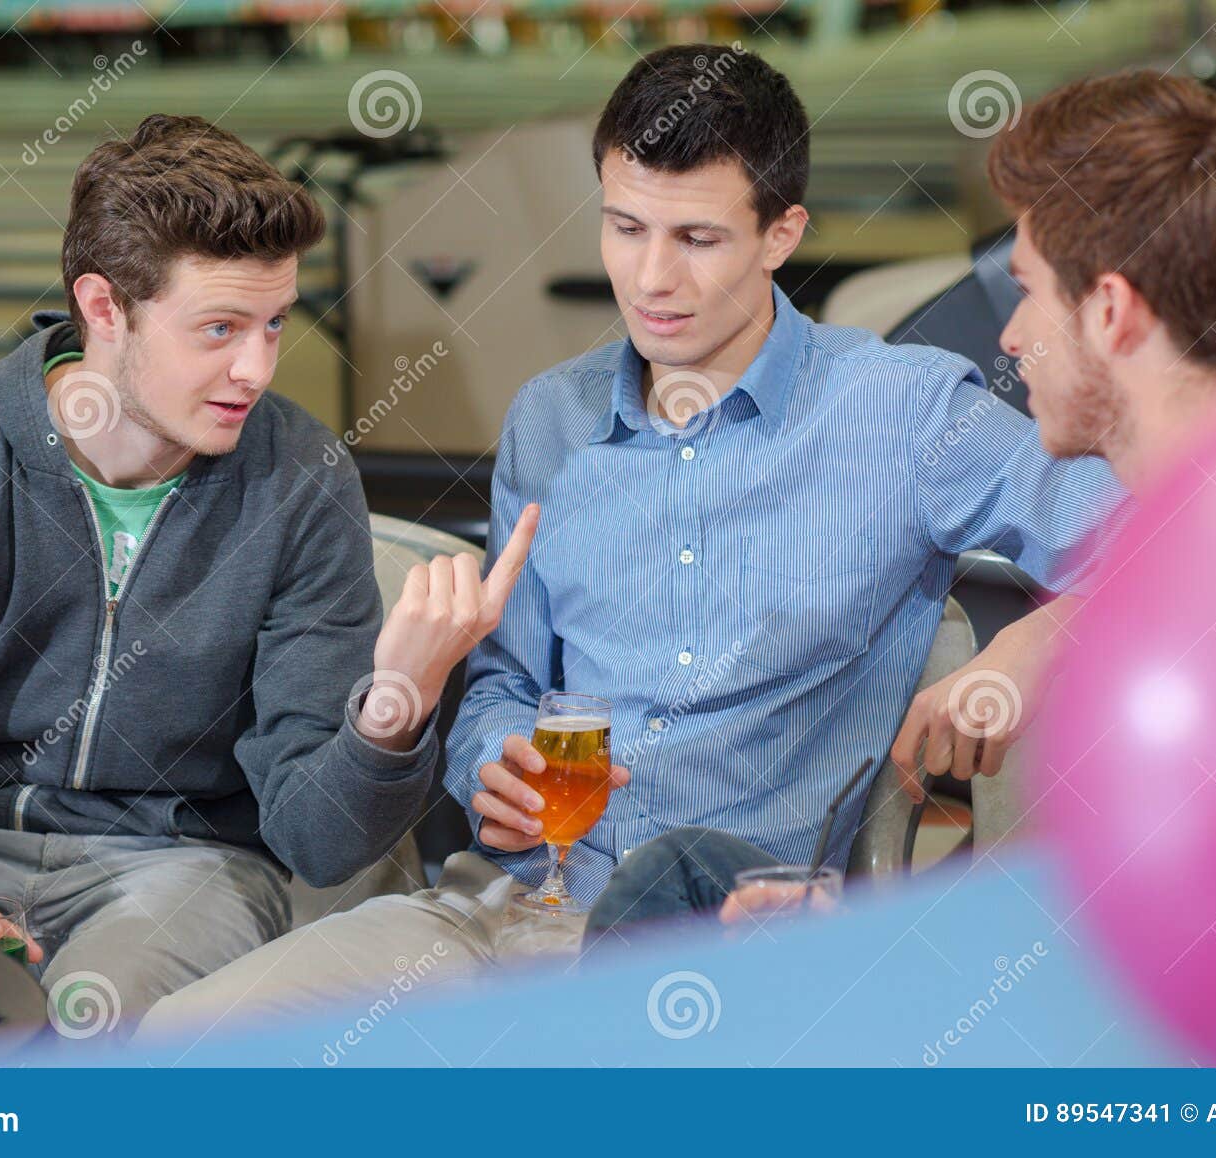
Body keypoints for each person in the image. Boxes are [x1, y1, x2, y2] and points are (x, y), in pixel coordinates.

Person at [133, 45, 1125, 1042]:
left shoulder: (901, 412)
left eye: (697, 237)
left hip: (719, 943)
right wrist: (492, 762)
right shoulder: (548, 419)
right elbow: (508, 685)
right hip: (499, 914)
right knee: (186, 1043)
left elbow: (1171, 544)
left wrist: (1041, 637)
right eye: (624, 227)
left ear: (781, 234)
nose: (651, 278)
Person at [0, 114, 536, 1037]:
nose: (256, 368)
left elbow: (319, 841)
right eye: (220, 329)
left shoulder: (300, 486)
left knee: (82, 1032)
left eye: (274, 325)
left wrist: (399, 698)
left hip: (185, 868)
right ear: (105, 308)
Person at [584, 69, 1216, 939]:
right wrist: (861, 947)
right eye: (626, 227)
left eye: (1028, 290)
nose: (1007, 337)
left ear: (1110, 312)